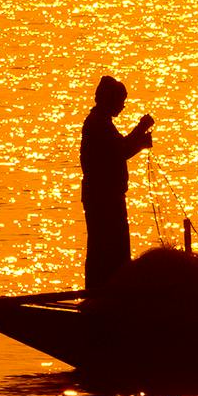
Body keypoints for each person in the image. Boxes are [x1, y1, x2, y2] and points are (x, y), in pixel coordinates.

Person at [78, 75, 154, 292]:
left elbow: (120, 150)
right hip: (103, 200)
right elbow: (120, 151)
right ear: (108, 100)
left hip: (107, 197)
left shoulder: (102, 123)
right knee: (106, 248)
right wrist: (141, 129)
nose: (122, 105)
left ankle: (107, 292)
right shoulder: (97, 125)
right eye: (120, 100)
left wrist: (139, 140)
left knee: (111, 248)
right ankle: (101, 294)